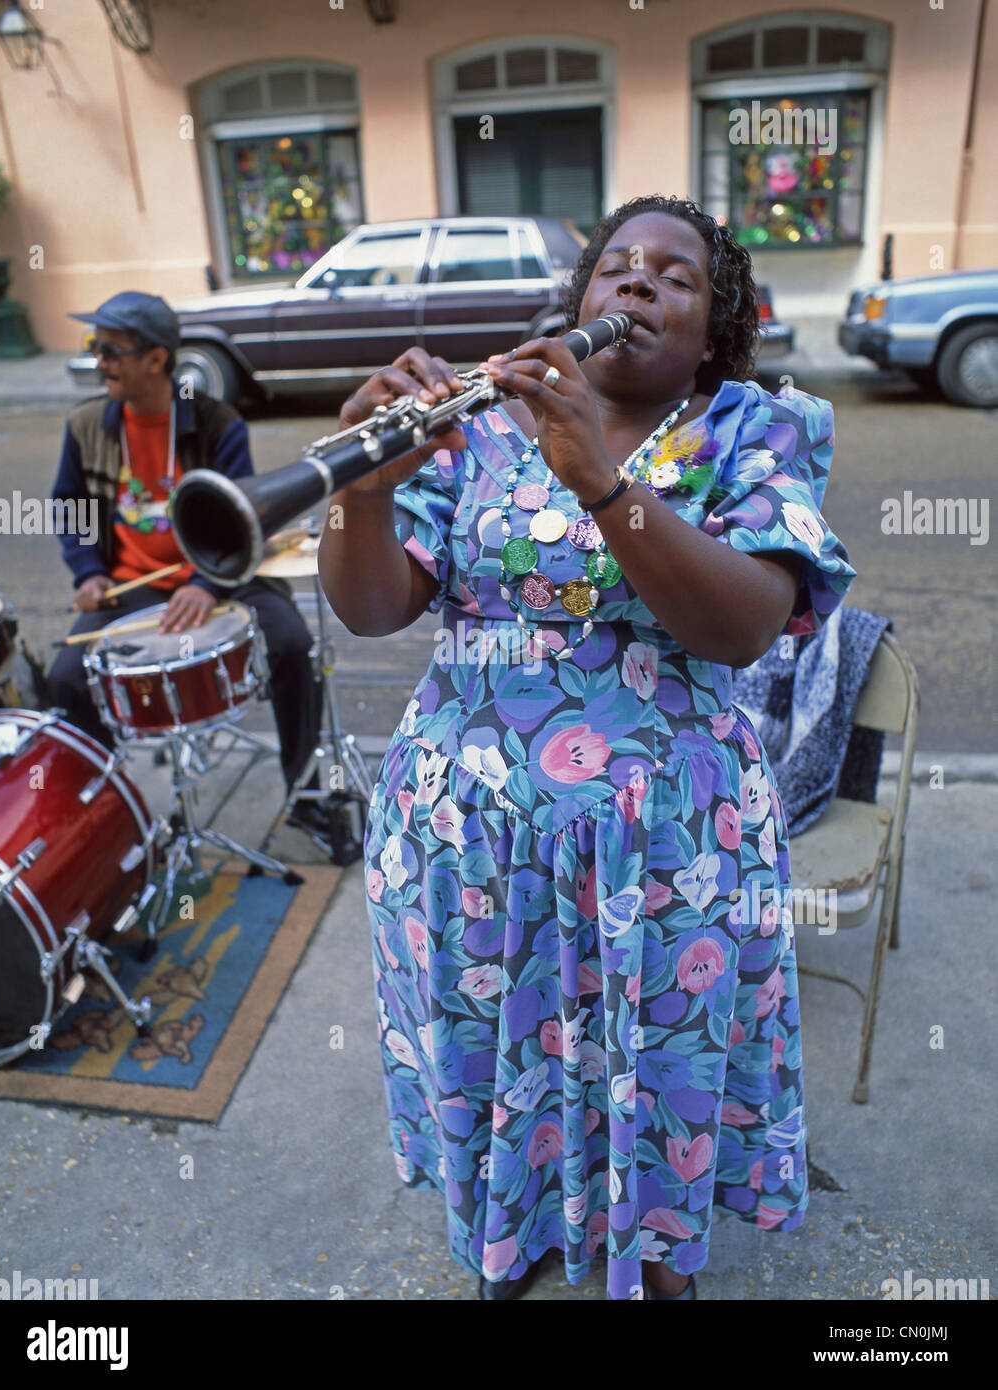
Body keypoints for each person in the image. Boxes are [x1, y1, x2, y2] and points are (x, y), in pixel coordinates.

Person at [318, 195, 856, 1301]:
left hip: (667, 839)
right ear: (580, 301)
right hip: (463, 837)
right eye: (615, 268)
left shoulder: (755, 427)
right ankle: (514, 1239)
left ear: (714, 327)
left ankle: (654, 1255)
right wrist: (360, 500)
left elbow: (744, 621)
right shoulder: (481, 417)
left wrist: (606, 488)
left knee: (652, 1051)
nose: (637, 284)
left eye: (676, 275)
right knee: (491, 1041)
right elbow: (373, 607)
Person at [46, 291, 325, 829]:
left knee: (292, 645)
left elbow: (242, 522)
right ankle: (111, 816)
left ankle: (306, 793)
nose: (98, 362)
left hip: (223, 576)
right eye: (95, 348)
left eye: (110, 351)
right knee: (65, 678)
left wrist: (206, 581)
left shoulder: (218, 424)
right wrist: (88, 572)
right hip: (132, 583)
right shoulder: (85, 427)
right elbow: (70, 505)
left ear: (155, 359)